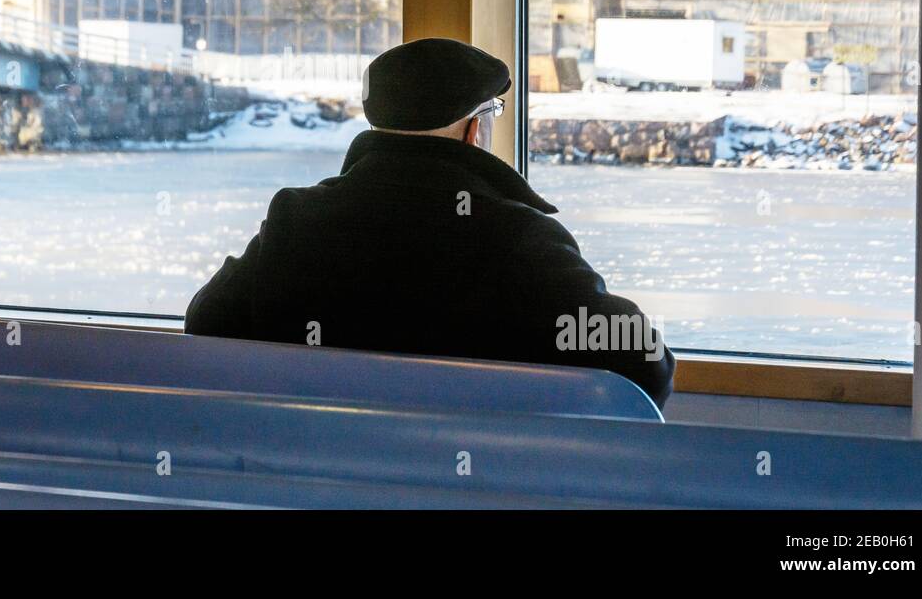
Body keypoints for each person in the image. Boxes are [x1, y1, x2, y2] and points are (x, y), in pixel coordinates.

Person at [184, 37, 676, 408]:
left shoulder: (297, 221)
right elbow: (645, 363)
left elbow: (206, 321)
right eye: (493, 114)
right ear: (472, 129)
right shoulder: (516, 239)